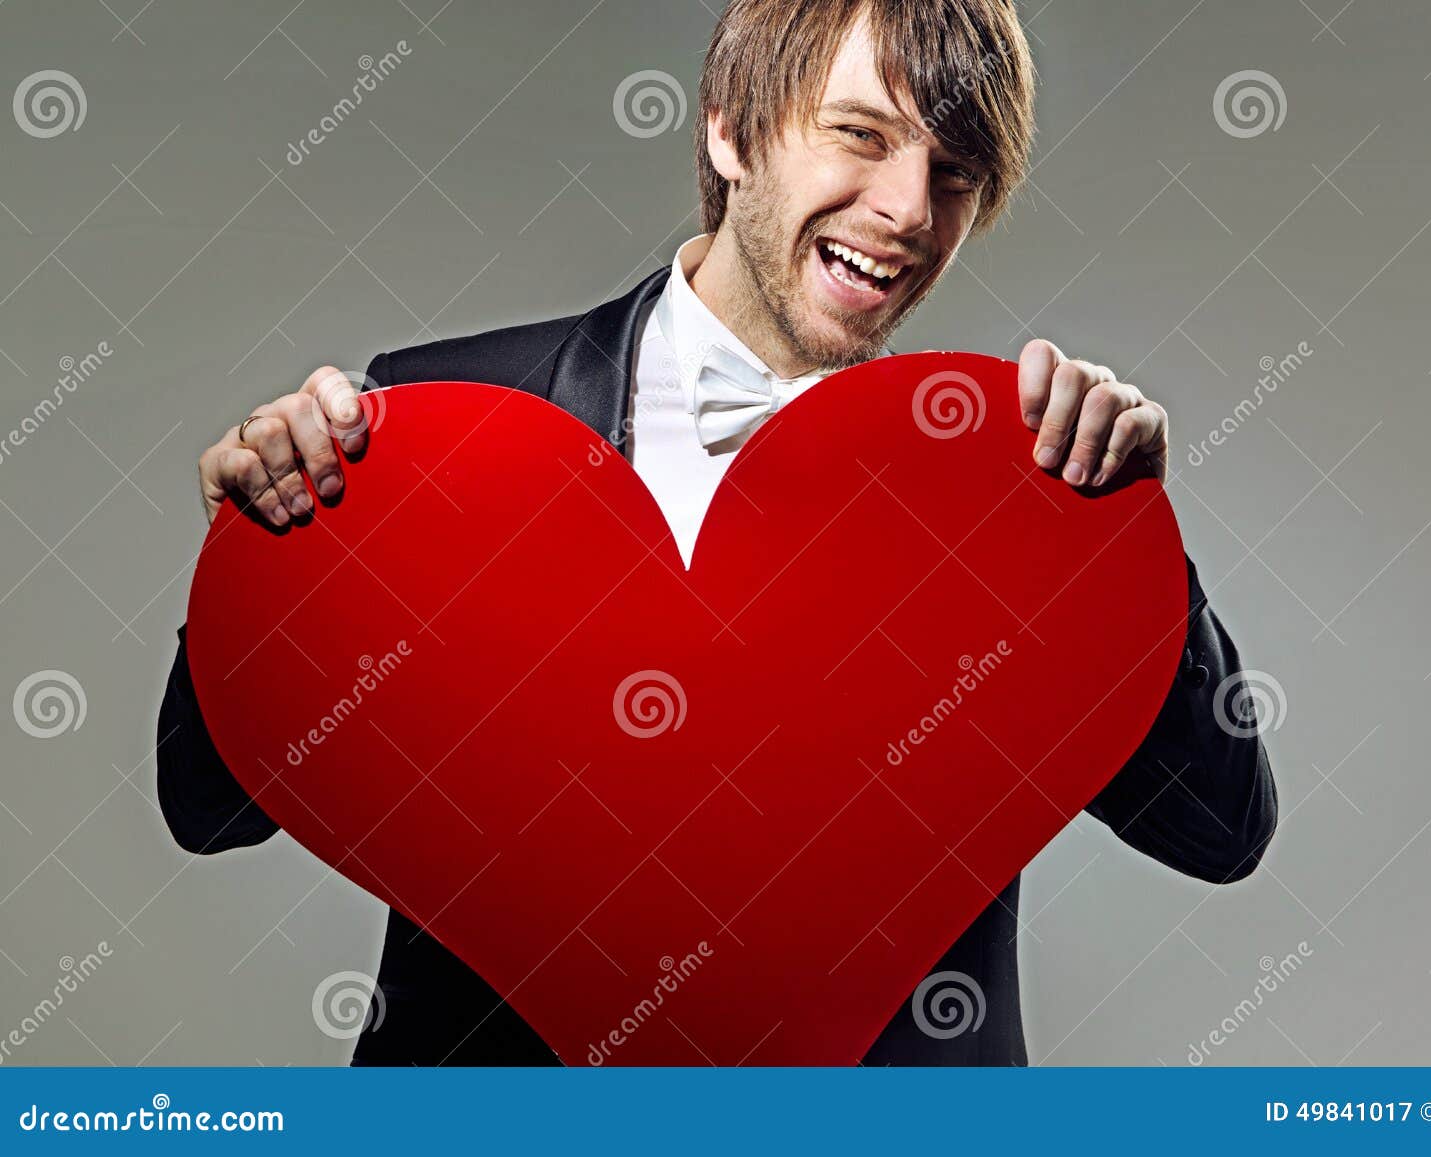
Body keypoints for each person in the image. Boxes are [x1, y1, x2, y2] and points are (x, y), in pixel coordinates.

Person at [158, 0, 1277, 1066]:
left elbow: (1217, 831)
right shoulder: (433, 424)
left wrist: (1120, 538)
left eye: (954, 174)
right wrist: (262, 566)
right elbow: (209, 806)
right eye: (860, 135)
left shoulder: (1009, 489)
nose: (904, 209)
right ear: (731, 130)